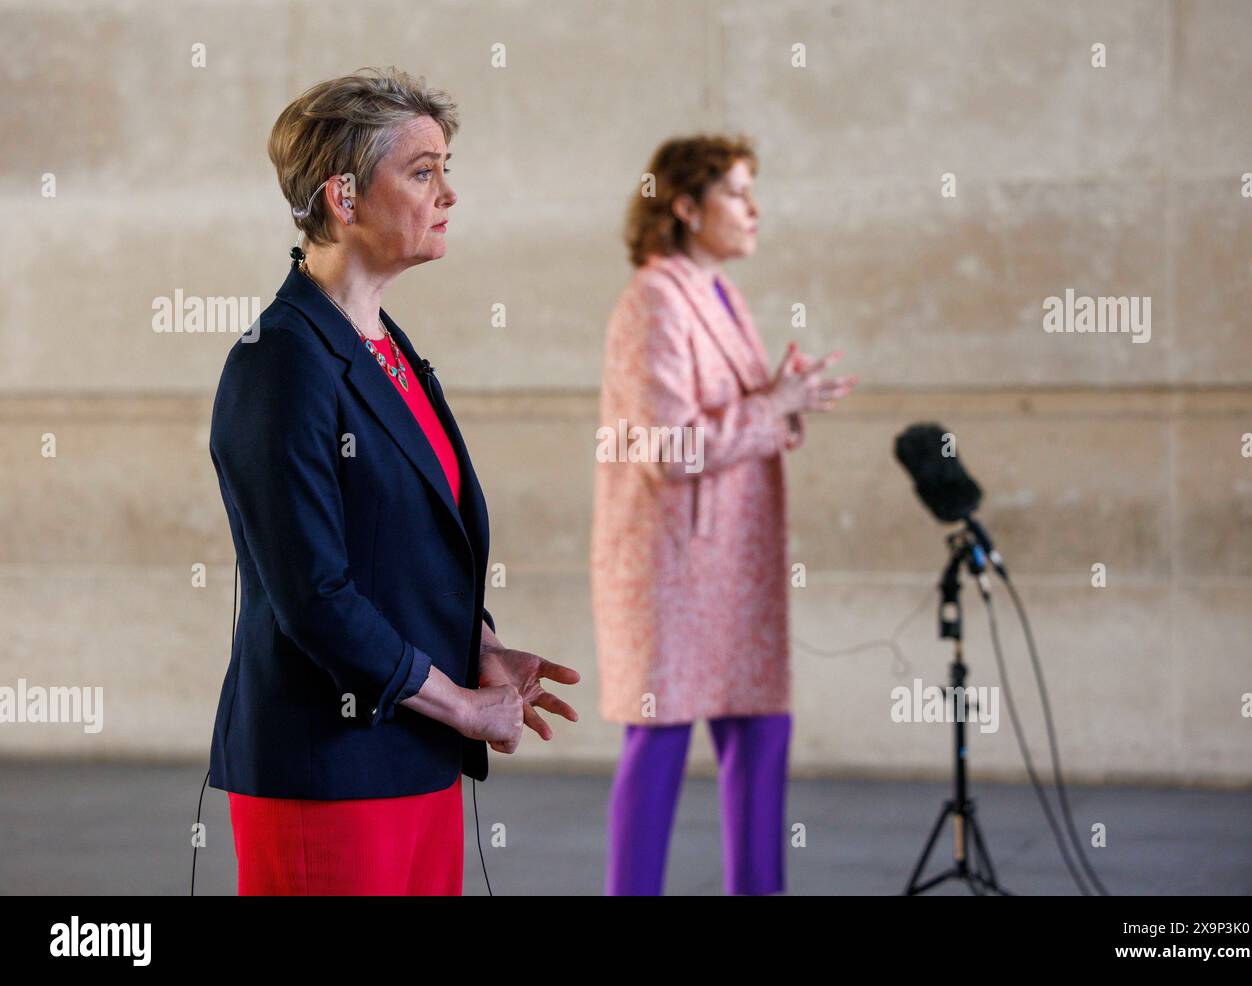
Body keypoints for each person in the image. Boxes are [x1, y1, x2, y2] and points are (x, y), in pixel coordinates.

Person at [207, 67, 578, 896]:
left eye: (446, 169)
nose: (448, 193)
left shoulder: (387, 346)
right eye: (422, 171)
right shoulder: (281, 362)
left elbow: (405, 545)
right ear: (342, 196)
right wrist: (463, 706)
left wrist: (480, 647)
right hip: (328, 770)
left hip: (415, 757)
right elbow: (316, 596)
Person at [591, 134, 857, 895]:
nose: (754, 209)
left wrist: (784, 400)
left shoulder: (720, 294)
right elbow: (669, 447)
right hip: (674, 573)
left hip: (732, 568)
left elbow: (732, 419)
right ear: (684, 206)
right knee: (659, 743)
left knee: (763, 732)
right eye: (737, 194)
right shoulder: (653, 299)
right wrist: (773, 405)